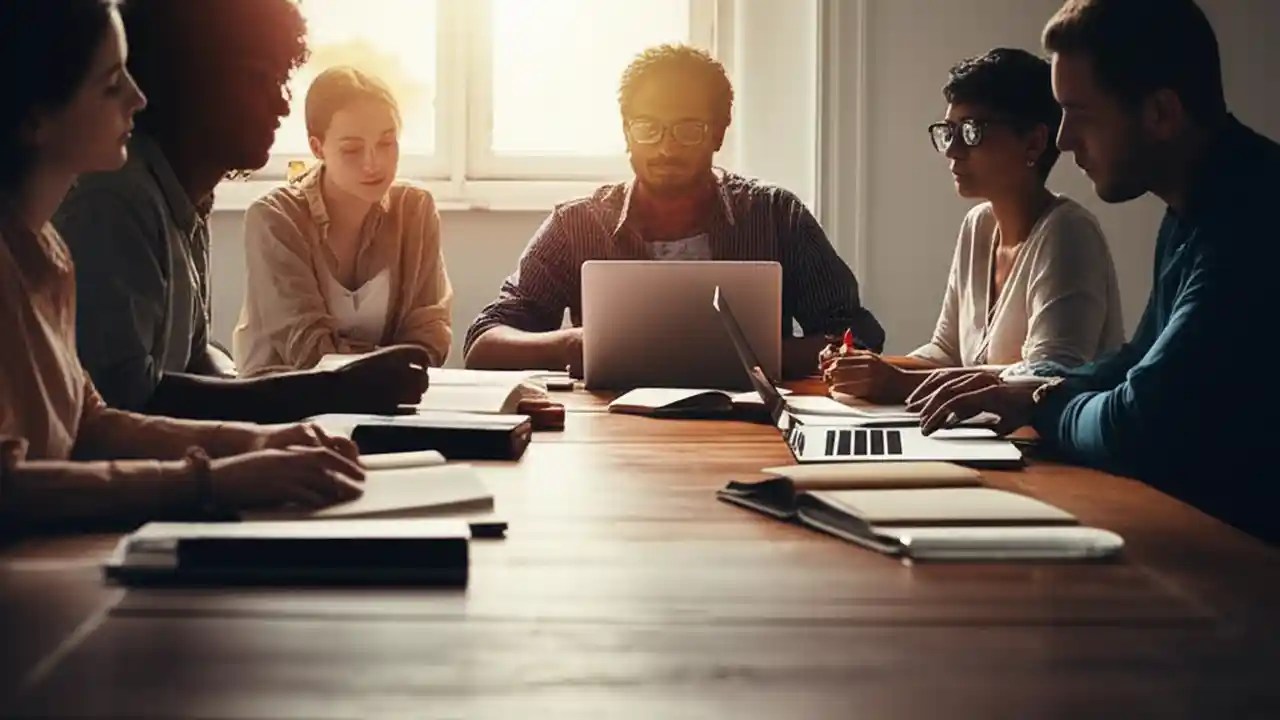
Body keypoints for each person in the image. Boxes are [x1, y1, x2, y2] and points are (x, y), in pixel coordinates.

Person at [906, 0, 1279, 542]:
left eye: (1078, 113)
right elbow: (1136, 359)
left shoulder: (1249, 219)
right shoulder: (1194, 208)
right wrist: (1026, 392)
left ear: (1161, 112)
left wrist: (1042, 399)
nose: (1060, 140)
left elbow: (1135, 424)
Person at [0, 0, 365, 529]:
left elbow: (90, 421)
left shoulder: (48, 251)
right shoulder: (107, 203)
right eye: (111, 83)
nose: (138, 96)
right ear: (35, 115)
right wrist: (212, 480)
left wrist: (256, 441)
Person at [52, 0, 429, 422]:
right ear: (190, 82)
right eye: (259, 80)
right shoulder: (114, 202)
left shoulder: (186, 197)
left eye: (281, 80)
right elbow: (126, 404)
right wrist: (328, 390)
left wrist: (280, 399)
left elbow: (194, 361)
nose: (282, 105)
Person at [463, 43, 884, 379]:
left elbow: (859, 335)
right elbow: (484, 343)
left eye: (688, 129)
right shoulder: (577, 225)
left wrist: (755, 357)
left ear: (719, 133)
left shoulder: (777, 215)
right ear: (626, 132)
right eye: (648, 128)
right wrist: (577, 343)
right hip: (610, 433)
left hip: (751, 427)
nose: (666, 148)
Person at [823, 48, 1124, 404]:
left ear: (1033, 142)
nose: (953, 150)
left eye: (971, 131)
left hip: (1050, 438)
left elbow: (1048, 376)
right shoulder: (978, 227)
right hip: (985, 433)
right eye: (948, 131)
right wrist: (866, 366)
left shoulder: (1068, 234)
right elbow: (945, 352)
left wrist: (898, 383)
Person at [232, 66, 453, 376]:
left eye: (387, 143)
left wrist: (397, 369)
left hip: (390, 399)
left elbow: (430, 331)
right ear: (317, 147)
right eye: (352, 149)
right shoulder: (275, 218)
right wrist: (392, 365)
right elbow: (306, 350)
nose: (373, 163)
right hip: (282, 399)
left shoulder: (415, 210)